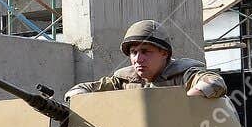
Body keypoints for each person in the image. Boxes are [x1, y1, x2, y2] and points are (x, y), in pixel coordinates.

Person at [66, 19, 228, 101]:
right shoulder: (122, 81)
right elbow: (82, 89)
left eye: (145, 52)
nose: (138, 59)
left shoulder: (185, 75)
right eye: (133, 52)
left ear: (164, 53)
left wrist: (185, 103)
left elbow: (215, 83)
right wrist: (80, 101)